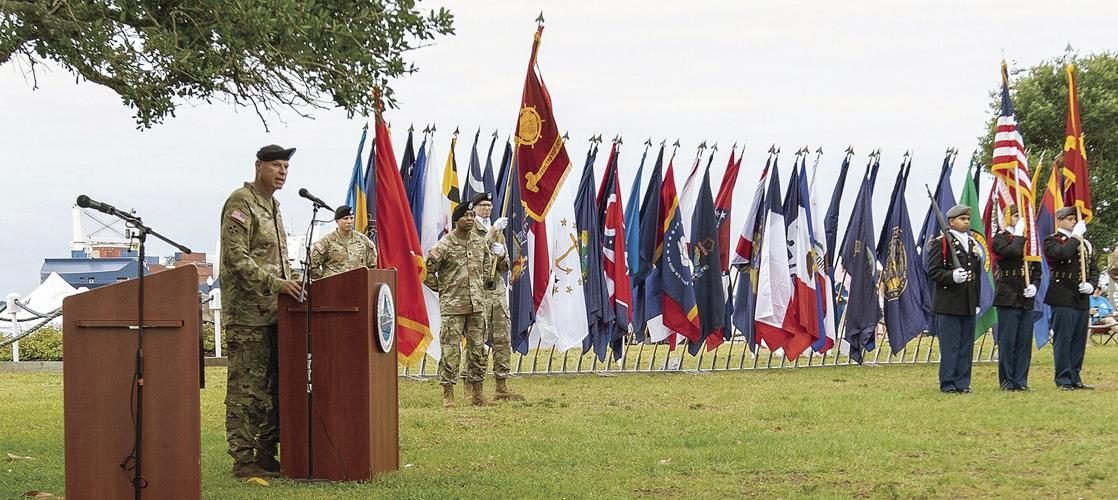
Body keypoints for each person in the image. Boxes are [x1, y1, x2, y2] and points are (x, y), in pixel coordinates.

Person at [219, 144, 304, 478]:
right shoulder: (241, 202)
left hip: (275, 312)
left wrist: (294, 282)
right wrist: (276, 284)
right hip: (247, 314)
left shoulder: (274, 206)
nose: (282, 172)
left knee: (273, 388)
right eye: (276, 166)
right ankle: (243, 458)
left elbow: (279, 259)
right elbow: (236, 257)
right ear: (258, 166)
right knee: (246, 389)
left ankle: (267, 453)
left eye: (286, 167)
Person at [424, 200, 507, 407]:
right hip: (453, 307)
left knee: (478, 350)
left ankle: (477, 394)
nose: (469, 219)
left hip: (477, 306)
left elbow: (488, 269)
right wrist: (444, 290)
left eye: (472, 215)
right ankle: (448, 394)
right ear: (456, 219)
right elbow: (427, 272)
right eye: (465, 216)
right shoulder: (444, 244)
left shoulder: (480, 243)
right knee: (451, 351)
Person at [470, 192, 522, 401]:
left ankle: (502, 384)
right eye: (482, 205)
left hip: (497, 289)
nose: (486, 209)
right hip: (479, 289)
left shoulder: (497, 230)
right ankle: (474, 386)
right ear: (474, 208)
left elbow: (505, 266)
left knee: (502, 337)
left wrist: (501, 255)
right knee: (477, 339)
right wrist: (492, 232)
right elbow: (475, 250)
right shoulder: (471, 227)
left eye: (489, 206)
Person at [926, 205, 982, 394]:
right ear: (951, 222)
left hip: (968, 302)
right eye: (961, 219)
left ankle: (963, 382)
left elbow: (977, 275)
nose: (966, 222)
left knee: (966, 345)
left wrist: (977, 301)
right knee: (950, 346)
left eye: (967, 219)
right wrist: (951, 276)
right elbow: (933, 271)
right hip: (948, 303)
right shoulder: (941, 243)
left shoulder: (972, 243)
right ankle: (948, 383)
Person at [1044, 206, 1100, 390]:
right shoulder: (1052, 241)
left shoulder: (1085, 243)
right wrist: (1076, 236)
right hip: (1062, 295)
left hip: (1081, 297)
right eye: (1069, 219)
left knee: (1078, 339)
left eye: (1074, 219)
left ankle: (1075, 376)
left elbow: (1093, 267)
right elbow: (1062, 254)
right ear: (1059, 220)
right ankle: (1063, 378)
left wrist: (1091, 284)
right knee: (1064, 339)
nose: (1073, 222)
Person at [990, 204, 1041, 391]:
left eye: (1022, 215)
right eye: (1016, 215)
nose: (1020, 218)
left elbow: (1037, 269)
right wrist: (1019, 234)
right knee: (1008, 341)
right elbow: (1011, 252)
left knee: (1024, 342)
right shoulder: (999, 239)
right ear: (1007, 216)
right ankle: (1007, 381)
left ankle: (1021, 380)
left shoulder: (1030, 241)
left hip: (1026, 297)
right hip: (1008, 295)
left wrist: (1034, 285)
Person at [308, 205, 378, 279]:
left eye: (351, 218)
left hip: (358, 285)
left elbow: (372, 267)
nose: (349, 222)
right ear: (337, 221)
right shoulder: (326, 241)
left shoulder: (364, 240)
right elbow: (313, 265)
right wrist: (324, 280)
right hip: (334, 286)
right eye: (345, 219)